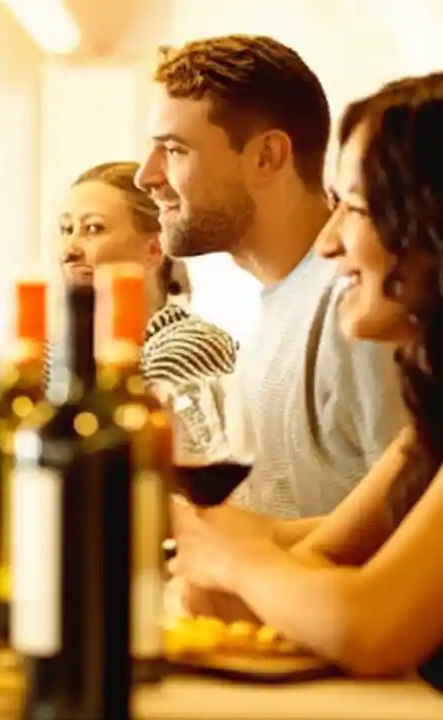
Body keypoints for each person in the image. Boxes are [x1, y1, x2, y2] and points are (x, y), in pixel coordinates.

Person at [170, 72, 443, 686]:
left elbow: (371, 626)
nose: (327, 242)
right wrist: (204, 541)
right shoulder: (432, 416)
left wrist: (237, 564)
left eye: (356, 208)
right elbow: (325, 551)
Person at [135, 34, 408, 527]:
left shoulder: (359, 308)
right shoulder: (274, 307)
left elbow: (409, 532)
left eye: (173, 149)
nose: (145, 176)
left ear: (266, 156)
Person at [57, 160, 237, 389]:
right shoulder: (55, 354)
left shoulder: (193, 347)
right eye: (66, 229)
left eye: (94, 228)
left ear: (155, 249)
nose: (68, 251)